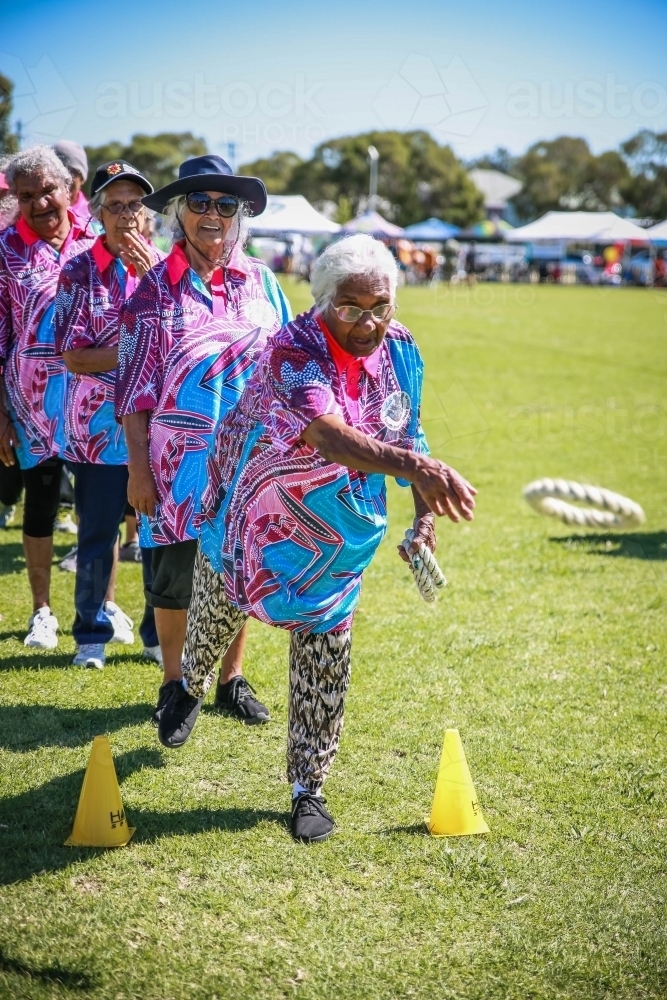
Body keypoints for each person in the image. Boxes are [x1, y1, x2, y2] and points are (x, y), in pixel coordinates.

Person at [158, 235, 477, 843]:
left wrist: (423, 512)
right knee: (216, 615)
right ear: (324, 301)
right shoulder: (293, 349)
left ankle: (308, 787)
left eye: (381, 306)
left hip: (340, 537)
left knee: (326, 658)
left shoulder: (402, 348)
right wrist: (419, 472)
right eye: (351, 308)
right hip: (253, 520)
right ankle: (190, 685)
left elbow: (409, 429)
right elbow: (327, 434)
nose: (368, 322)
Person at [115, 154, 292, 721]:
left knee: (238, 570)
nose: (212, 214)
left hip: (248, 461)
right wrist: (138, 469)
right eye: (198, 202)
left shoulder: (263, 281)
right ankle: (175, 683)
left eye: (225, 204)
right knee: (173, 574)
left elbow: (290, 361)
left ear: (240, 215)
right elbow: (133, 391)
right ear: (177, 213)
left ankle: (229, 679)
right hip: (177, 465)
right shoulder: (152, 291)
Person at [54, 159, 163, 669]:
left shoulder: (163, 267)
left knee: (157, 535)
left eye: (134, 205)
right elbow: (73, 355)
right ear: (97, 213)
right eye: (114, 206)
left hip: (158, 429)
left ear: (147, 213)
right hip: (98, 431)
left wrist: (148, 279)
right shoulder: (78, 270)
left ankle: (155, 633)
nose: (126, 215)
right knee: (98, 533)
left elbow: (179, 339)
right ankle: (91, 635)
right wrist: (135, 350)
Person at [0, 146, 95, 648]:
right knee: (40, 502)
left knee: (100, 504)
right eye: (26, 194)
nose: (39, 203)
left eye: (47, 190)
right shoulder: (5, 250)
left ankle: (99, 608)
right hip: (30, 406)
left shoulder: (98, 241)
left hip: (97, 405)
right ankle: (42, 610)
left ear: (68, 189)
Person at [52, 141, 90, 231]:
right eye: (56, 172)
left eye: (70, 172)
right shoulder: (39, 213)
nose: (64, 177)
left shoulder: (95, 217)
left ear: (82, 179)